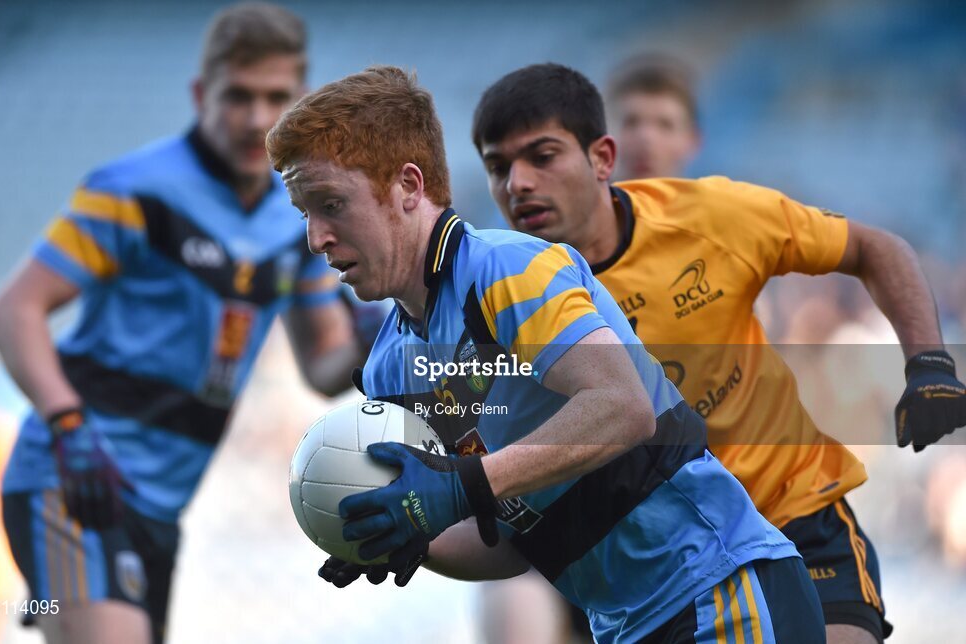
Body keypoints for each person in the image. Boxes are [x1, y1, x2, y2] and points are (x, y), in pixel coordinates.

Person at [267, 65, 826, 643]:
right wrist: (413, 532)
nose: (316, 237)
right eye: (305, 213)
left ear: (408, 186)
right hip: (626, 625)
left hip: (718, 588)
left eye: (330, 204)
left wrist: (462, 487)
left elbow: (621, 407)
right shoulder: (389, 369)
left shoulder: (507, 268)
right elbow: (510, 547)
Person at [470, 63, 966, 644]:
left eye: (542, 156)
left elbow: (873, 247)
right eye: (498, 167)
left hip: (790, 519)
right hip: (653, 561)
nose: (518, 184)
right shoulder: (492, 301)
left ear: (603, 159)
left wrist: (929, 364)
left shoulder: (712, 218)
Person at [0, 5, 363, 643]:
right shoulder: (135, 190)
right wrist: (66, 422)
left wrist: (379, 341)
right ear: (200, 94)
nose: (254, 118)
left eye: (275, 97)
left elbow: (324, 366)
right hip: (75, 482)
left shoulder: (298, 212)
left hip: (160, 512)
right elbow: (13, 312)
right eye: (236, 96)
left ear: (300, 99)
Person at [605, 54, 701, 181]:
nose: (646, 137)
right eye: (631, 122)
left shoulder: (714, 201)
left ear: (692, 140)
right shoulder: (579, 200)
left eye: (665, 125)